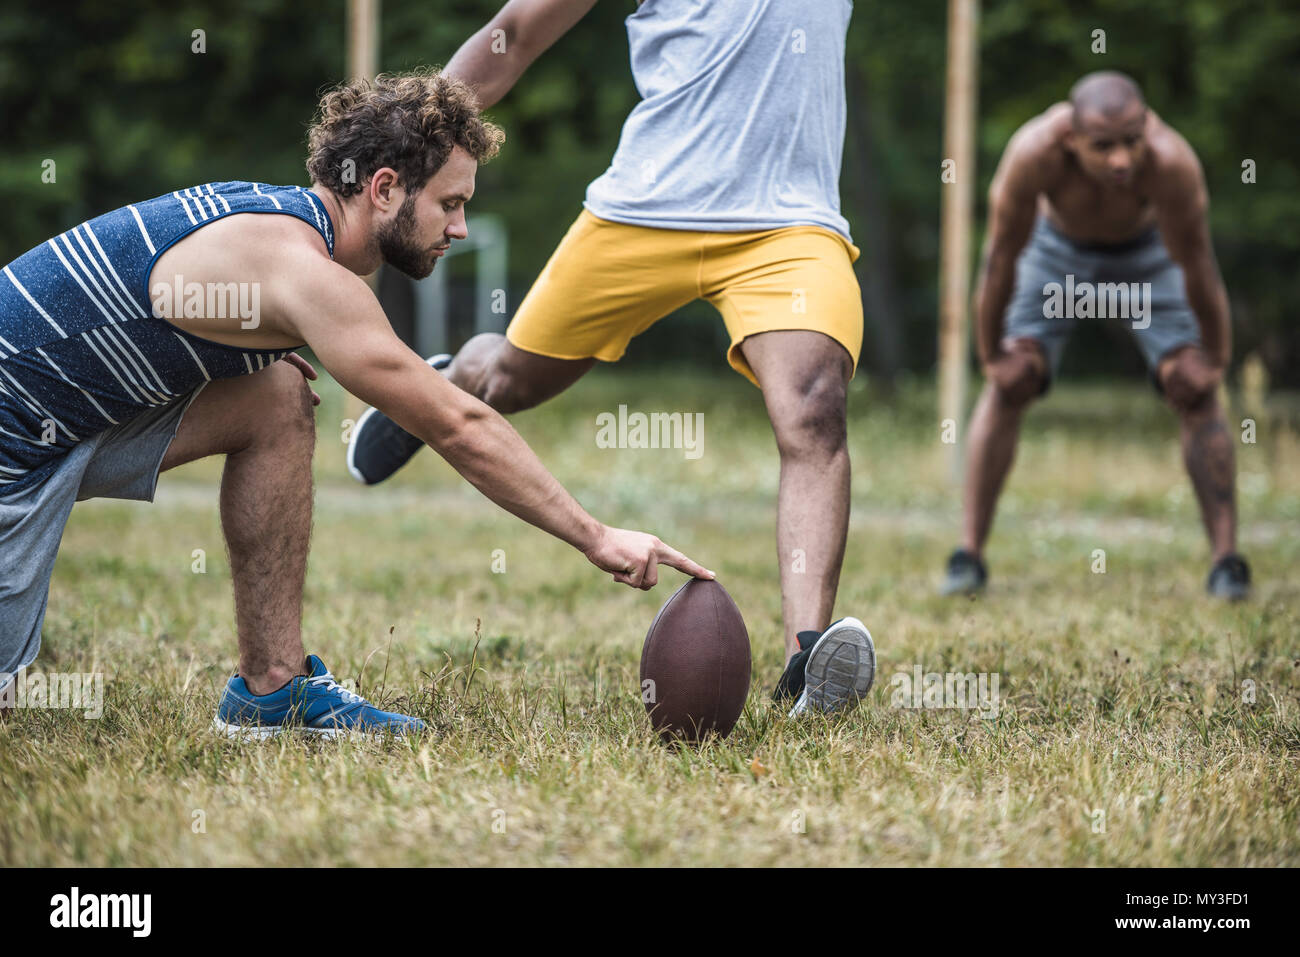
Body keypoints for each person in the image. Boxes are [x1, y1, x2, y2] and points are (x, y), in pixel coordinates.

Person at [0, 70, 711, 735]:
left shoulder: (281, 226)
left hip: (53, 433)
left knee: (278, 395)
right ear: (383, 188)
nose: (459, 229)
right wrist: (597, 535)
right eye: (450, 204)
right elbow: (458, 423)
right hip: (13, 452)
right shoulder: (304, 271)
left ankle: (270, 691)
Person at [347, 0, 876, 716]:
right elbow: (518, 34)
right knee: (514, 378)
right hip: (645, 208)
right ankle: (456, 380)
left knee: (815, 408)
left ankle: (807, 661)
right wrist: (415, 141)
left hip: (787, 222)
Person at [941, 71, 1249, 600]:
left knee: (1196, 388)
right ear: (1070, 139)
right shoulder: (1032, 155)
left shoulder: (1172, 163)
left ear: (1147, 124)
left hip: (1150, 253)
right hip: (1054, 249)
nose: (1123, 159)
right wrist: (992, 355)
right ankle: (969, 555)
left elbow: (1199, 264)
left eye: (1132, 139)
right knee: (1010, 385)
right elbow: (1000, 260)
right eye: (1103, 146)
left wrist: (1216, 358)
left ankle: (1227, 562)